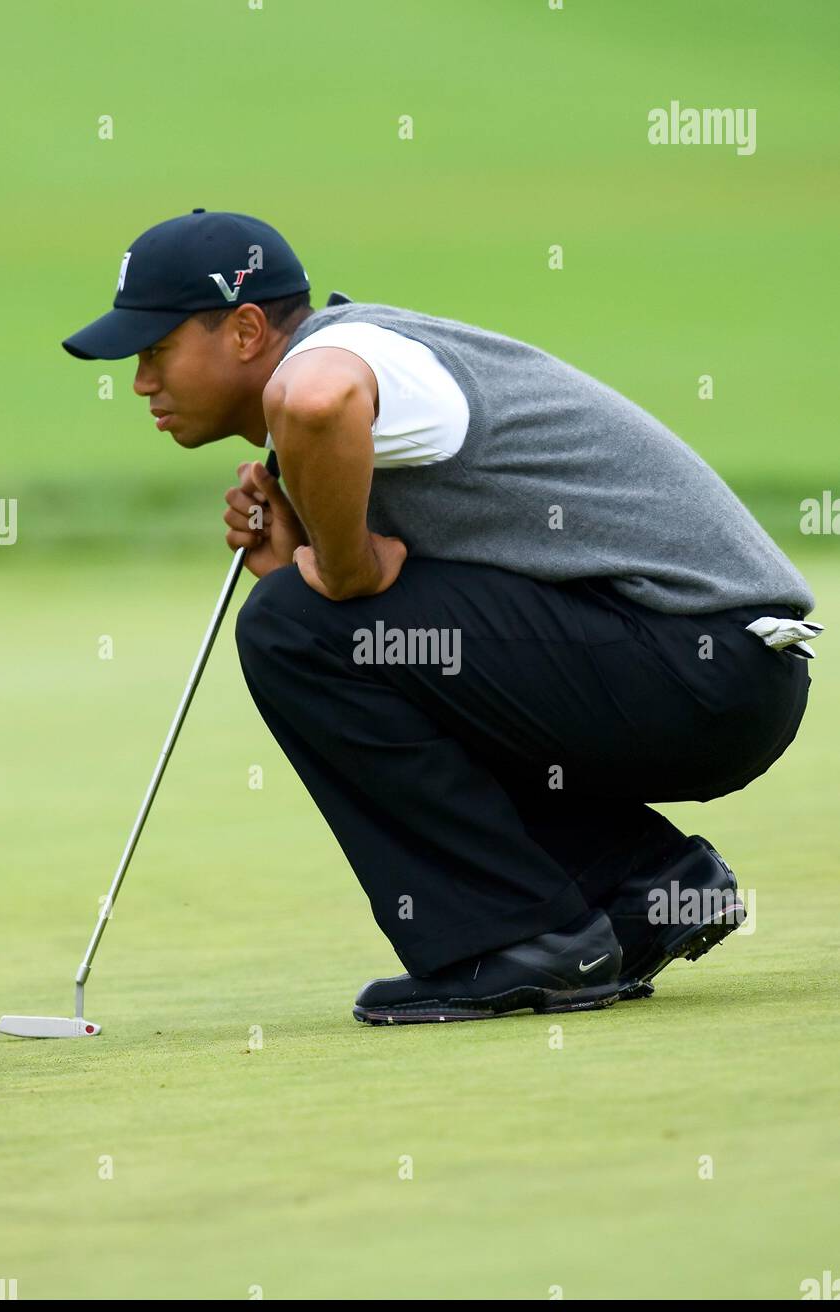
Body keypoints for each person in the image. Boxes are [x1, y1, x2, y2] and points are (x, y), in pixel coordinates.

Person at [62, 209, 820, 1025]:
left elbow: (315, 403)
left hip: (700, 663)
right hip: (717, 672)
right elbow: (413, 646)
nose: (141, 381)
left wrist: (341, 573)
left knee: (289, 627)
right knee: (302, 618)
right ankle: (639, 886)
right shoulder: (365, 361)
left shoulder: (330, 359)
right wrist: (304, 559)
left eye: (154, 350)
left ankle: (524, 943)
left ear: (246, 329)